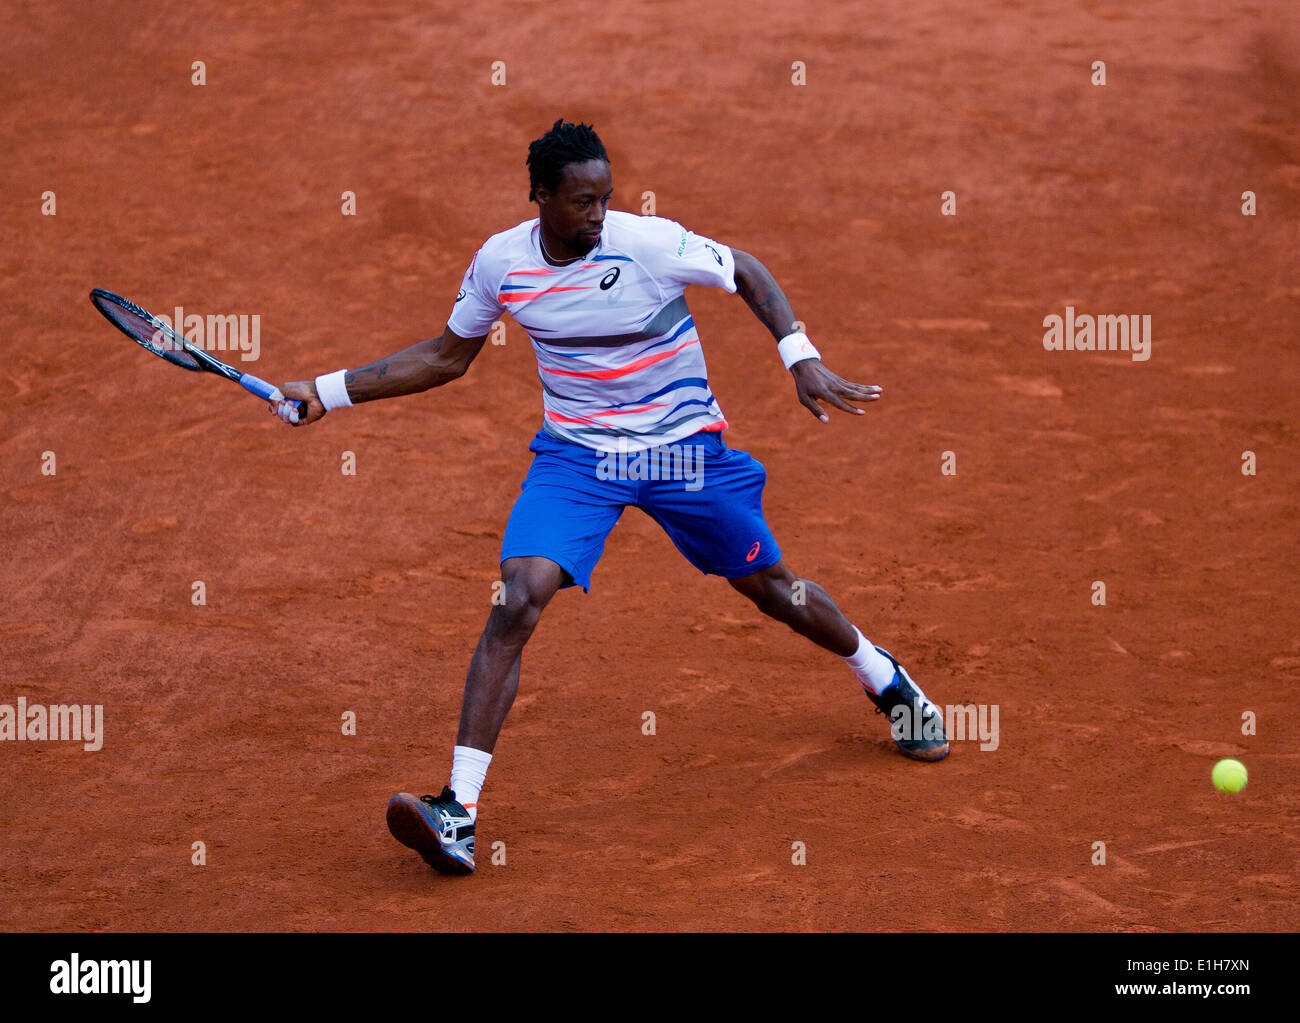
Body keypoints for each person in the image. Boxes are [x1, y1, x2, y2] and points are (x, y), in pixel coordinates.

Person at [272, 118, 948, 876]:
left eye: (605, 198)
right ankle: (457, 810)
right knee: (517, 596)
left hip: (683, 449)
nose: (598, 214)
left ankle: (882, 677)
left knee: (774, 589)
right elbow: (445, 355)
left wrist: (801, 356)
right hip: (580, 457)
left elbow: (748, 270)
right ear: (540, 198)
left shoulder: (648, 244)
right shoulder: (501, 263)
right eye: (582, 201)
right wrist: (326, 393)